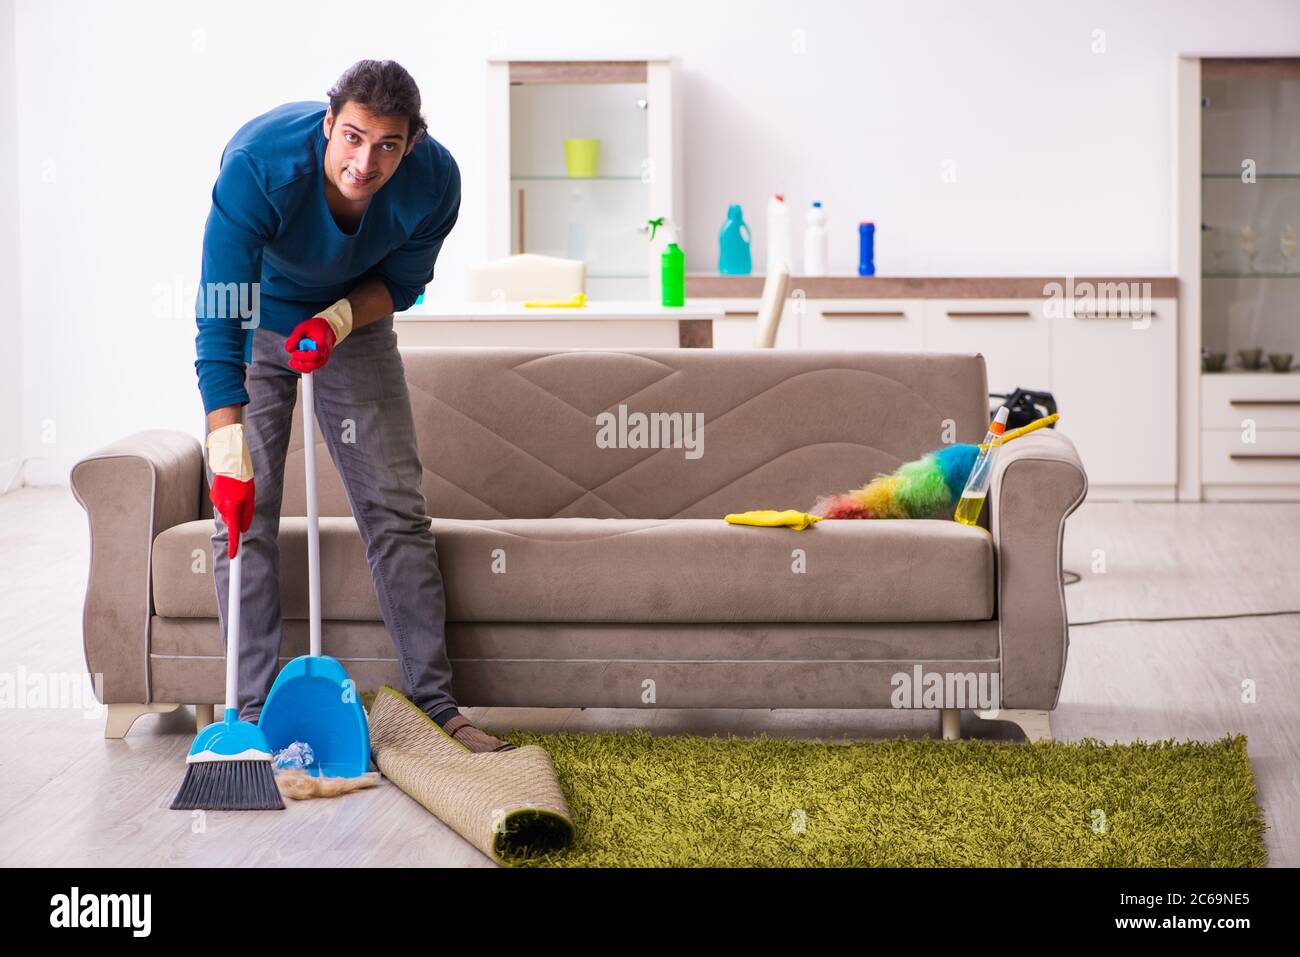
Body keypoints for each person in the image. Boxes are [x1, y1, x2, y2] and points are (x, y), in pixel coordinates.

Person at [195, 59, 513, 753]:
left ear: (412, 144)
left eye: (388, 145)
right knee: (243, 517)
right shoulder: (259, 166)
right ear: (328, 121)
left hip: (349, 324)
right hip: (255, 320)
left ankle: (437, 708)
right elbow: (220, 313)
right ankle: (248, 717)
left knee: (396, 510)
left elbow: (398, 286)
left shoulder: (434, 184)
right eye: (353, 137)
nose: (365, 162)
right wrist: (226, 444)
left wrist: (336, 321)